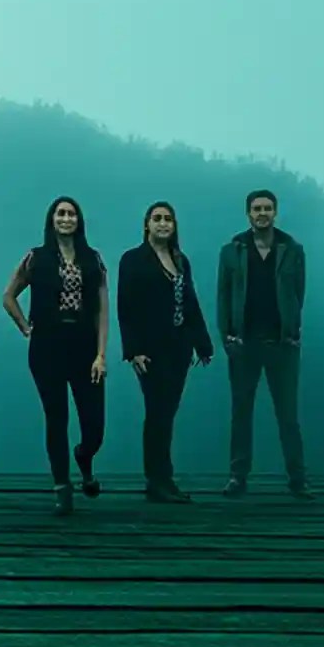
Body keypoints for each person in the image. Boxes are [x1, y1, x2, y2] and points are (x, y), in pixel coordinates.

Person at [2, 196, 109, 515]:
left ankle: (85, 458)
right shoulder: (36, 258)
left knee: (94, 423)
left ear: (79, 220)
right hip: (47, 344)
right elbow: (8, 296)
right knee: (56, 416)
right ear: (51, 220)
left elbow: (102, 309)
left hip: (84, 343)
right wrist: (25, 327)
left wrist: (101, 354)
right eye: (60, 214)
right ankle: (62, 486)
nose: (66, 218)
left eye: (72, 214)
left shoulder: (93, 259)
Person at [217, 189, 314, 500]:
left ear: (275, 212)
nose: (262, 213)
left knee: (288, 414)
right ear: (248, 213)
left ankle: (298, 479)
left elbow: (299, 291)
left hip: (282, 344)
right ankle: (237, 476)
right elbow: (223, 295)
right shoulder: (232, 250)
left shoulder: (292, 249)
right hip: (244, 343)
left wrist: (293, 329)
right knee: (241, 412)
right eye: (256, 209)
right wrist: (227, 336)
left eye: (267, 208)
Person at [117, 202, 213, 503]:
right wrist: (133, 351)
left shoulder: (180, 259)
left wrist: (203, 343)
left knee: (168, 413)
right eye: (156, 218)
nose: (162, 223)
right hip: (150, 350)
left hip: (179, 347)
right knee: (156, 412)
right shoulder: (132, 260)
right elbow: (125, 307)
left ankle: (163, 479)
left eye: (168, 219)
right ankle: (157, 479)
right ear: (147, 224)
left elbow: (191, 301)